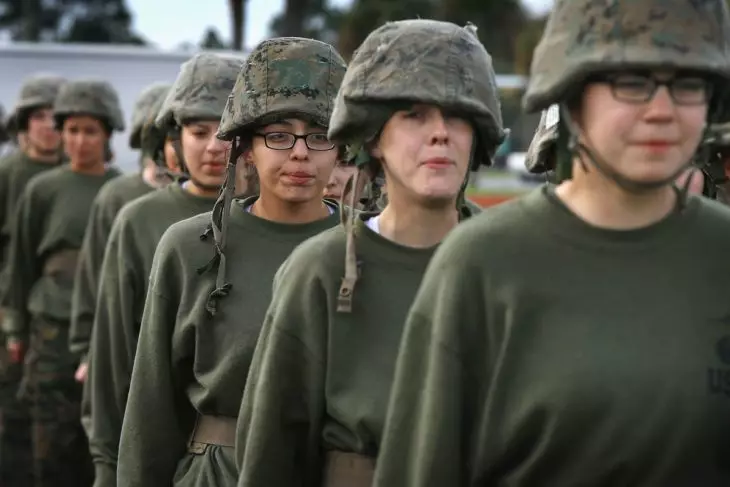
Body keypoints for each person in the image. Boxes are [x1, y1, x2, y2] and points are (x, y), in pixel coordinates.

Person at [374, 1, 730, 485]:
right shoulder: (484, 265)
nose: (662, 110)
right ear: (572, 95)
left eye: (688, 84)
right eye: (632, 82)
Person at [234, 19, 504, 487]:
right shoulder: (318, 269)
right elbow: (272, 451)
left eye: (457, 115)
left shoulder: (509, 264)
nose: (440, 134)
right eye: (414, 114)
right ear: (374, 136)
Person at [117, 37, 346, 487]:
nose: (300, 153)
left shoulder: (363, 248)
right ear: (246, 146)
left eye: (319, 135)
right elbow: (152, 406)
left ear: (342, 147)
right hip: (221, 470)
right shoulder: (191, 247)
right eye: (278, 135)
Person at [86, 53, 241, 487]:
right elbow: (113, 353)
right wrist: (106, 462)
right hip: (158, 436)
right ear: (174, 138)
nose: (213, 146)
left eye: (227, 131)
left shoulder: (277, 219)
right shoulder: (140, 222)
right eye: (198, 131)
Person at [2, 79, 124, 486]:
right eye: (71, 130)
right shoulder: (41, 190)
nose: (79, 140)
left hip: (105, 331)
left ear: (108, 134)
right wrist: (15, 327)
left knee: (101, 444)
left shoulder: (121, 191)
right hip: (51, 328)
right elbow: (20, 265)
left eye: (90, 131)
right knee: (48, 442)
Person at [69, 82, 172, 384]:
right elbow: (93, 275)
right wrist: (88, 350)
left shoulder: (219, 198)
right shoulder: (118, 196)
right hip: (127, 339)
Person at [0, 73, 66, 487]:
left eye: (56, 117)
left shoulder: (77, 174)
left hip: (57, 312)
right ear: (24, 123)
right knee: (12, 405)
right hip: (10, 304)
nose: (48, 126)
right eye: (39, 116)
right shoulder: (9, 172)